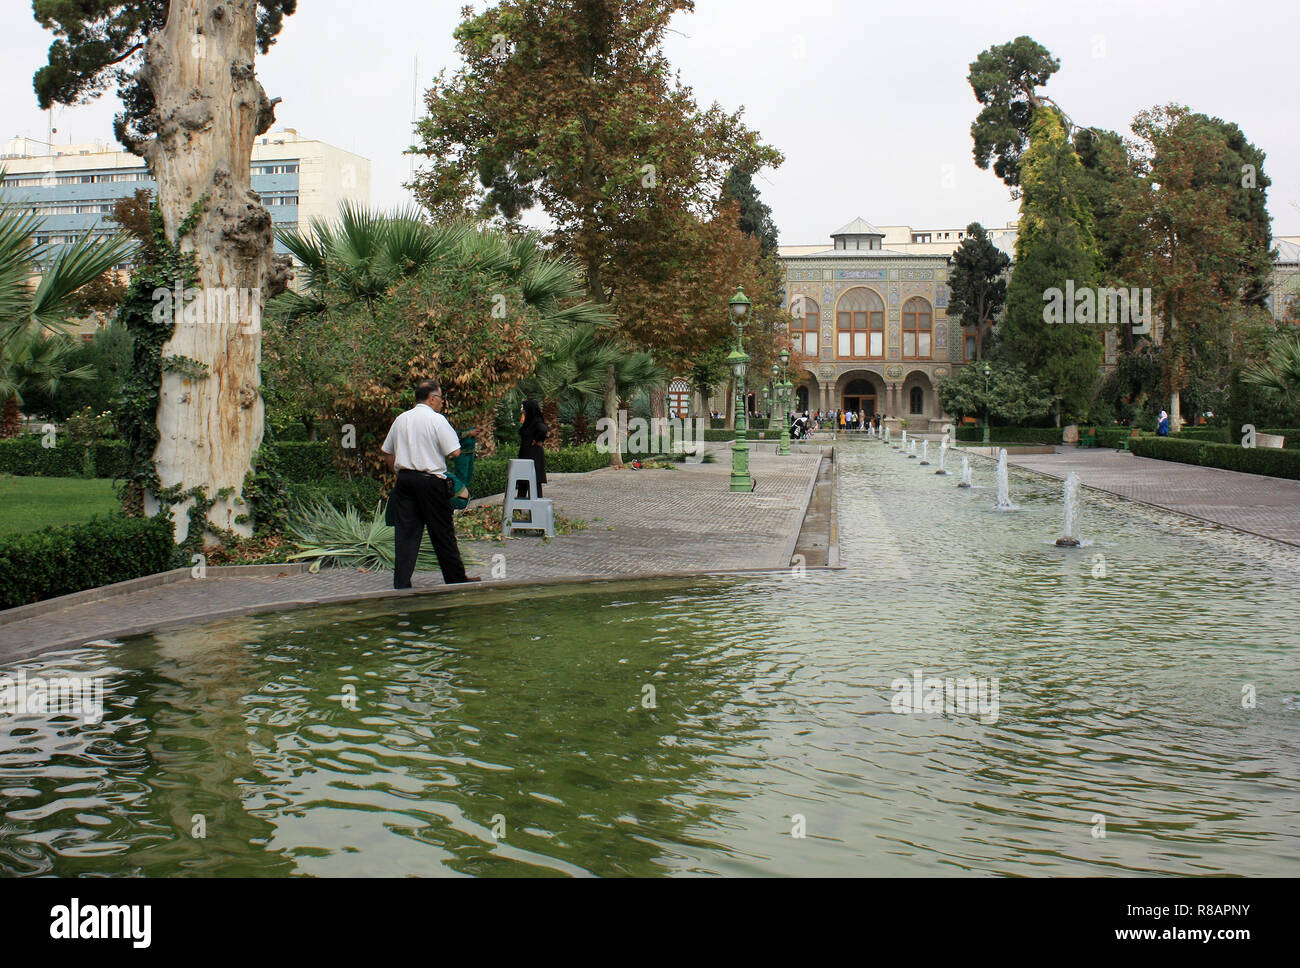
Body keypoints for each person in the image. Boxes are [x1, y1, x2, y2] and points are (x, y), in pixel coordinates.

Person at [382, 379, 480, 589]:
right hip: (431, 481)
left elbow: (387, 451)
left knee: (406, 534)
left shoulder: (401, 419)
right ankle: (456, 579)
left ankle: (401, 584)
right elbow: (454, 452)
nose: (442, 402)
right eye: (441, 398)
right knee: (442, 532)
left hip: (405, 481)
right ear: (432, 398)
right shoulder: (437, 420)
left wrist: (398, 473)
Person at [518, 398, 549, 498]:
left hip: (533, 455)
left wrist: (537, 440)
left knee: (534, 482)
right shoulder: (529, 422)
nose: (523, 411)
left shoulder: (536, 421)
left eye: (525, 409)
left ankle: (537, 509)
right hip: (526, 454)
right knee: (523, 482)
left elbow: (543, 430)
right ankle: (519, 508)